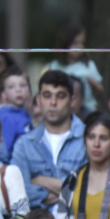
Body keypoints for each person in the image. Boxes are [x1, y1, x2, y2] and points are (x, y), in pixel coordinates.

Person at [11, 70, 86, 209]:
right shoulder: (24, 144)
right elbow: (17, 194)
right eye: (47, 96)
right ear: (38, 100)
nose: (53, 102)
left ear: (73, 101)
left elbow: (91, 188)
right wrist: (68, 193)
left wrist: (40, 180)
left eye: (61, 96)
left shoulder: (89, 139)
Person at [49, 25, 103, 113]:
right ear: (65, 43)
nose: (80, 47)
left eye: (82, 43)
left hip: (86, 108)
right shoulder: (55, 65)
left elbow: (100, 89)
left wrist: (93, 83)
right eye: (75, 43)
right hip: (60, 108)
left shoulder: (88, 65)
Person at [0, 66, 33, 157]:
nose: (18, 90)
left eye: (23, 85)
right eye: (11, 87)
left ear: (29, 90)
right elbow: (4, 152)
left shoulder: (24, 113)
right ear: (4, 93)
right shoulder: (6, 117)